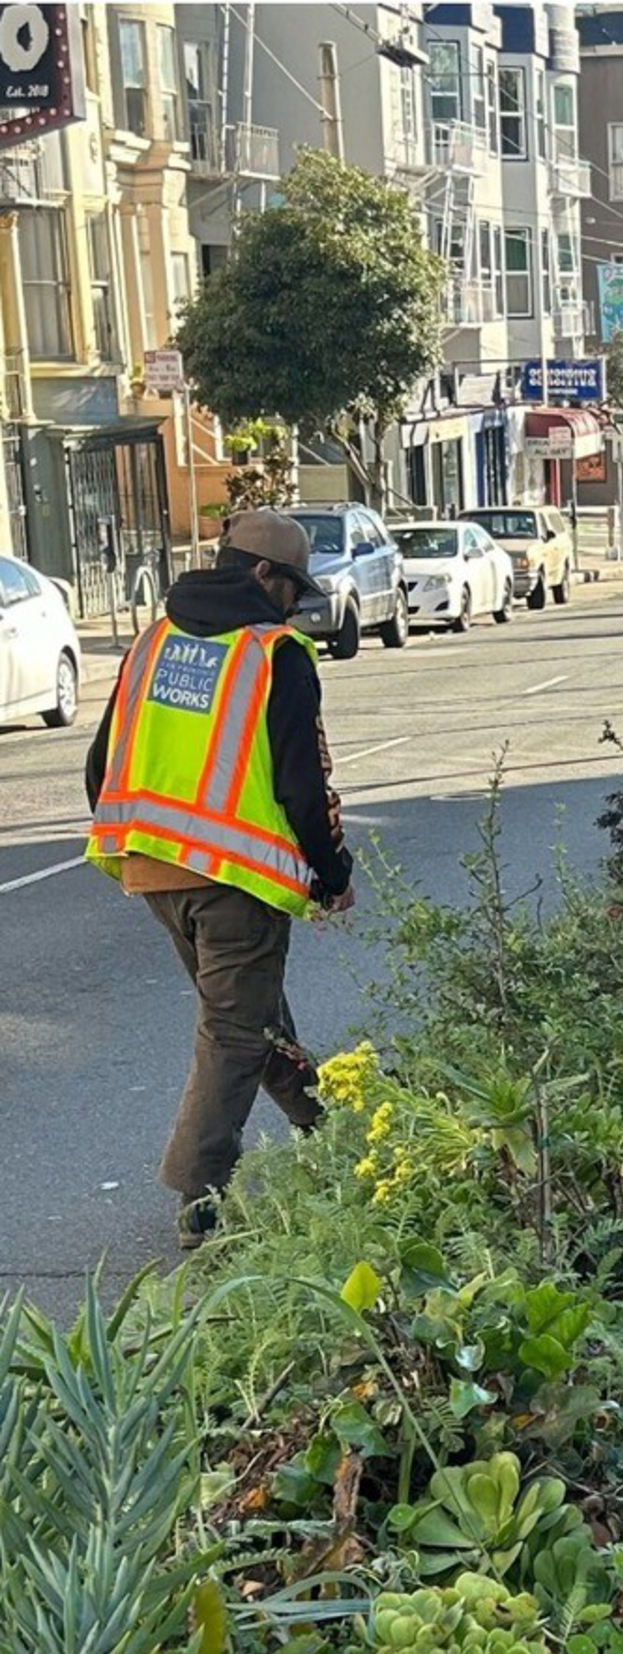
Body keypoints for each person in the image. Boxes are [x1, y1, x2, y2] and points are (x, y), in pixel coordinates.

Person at [81, 509, 352, 1246]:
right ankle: (197, 1194)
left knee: (252, 1015)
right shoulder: (276, 654)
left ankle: (325, 1124)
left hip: (153, 869)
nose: (296, 605)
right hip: (236, 877)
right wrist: (333, 875)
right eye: (293, 588)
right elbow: (302, 788)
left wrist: (147, 844)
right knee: (234, 1029)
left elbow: (100, 765)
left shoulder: (153, 639)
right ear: (264, 575)